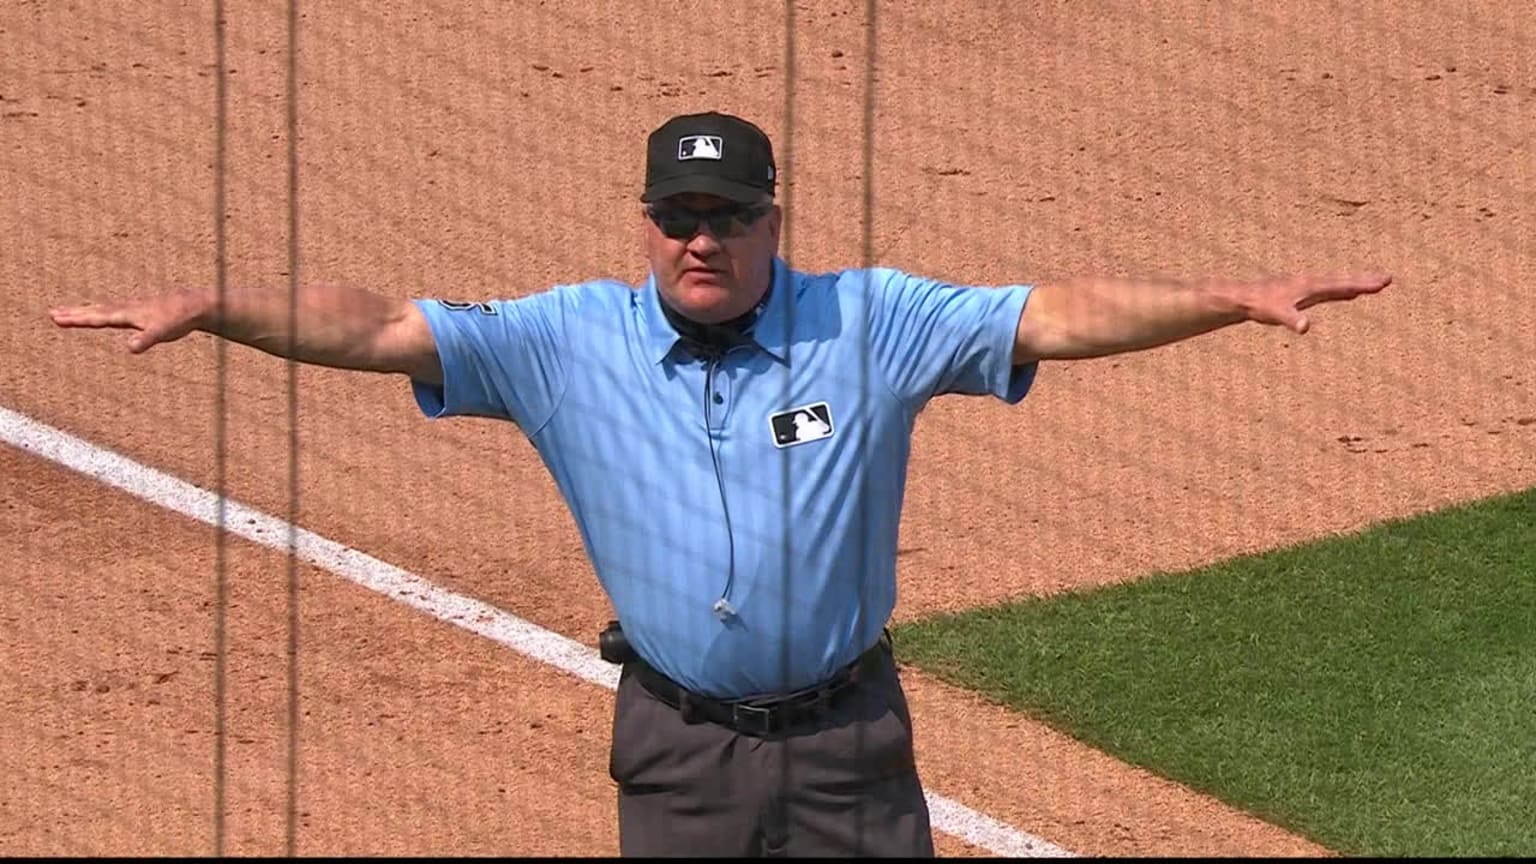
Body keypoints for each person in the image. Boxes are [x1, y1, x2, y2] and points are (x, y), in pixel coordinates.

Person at [49, 110, 1389, 857]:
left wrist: (1227, 297)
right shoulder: (563, 341)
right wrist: (216, 307)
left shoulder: (870, 323)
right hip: (680, 749)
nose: (703, 240)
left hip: (850, 746)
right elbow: (380, 326)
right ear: (647, 222)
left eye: (730, 216)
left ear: (771, 221)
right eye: (680, 217)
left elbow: (1053, 312)